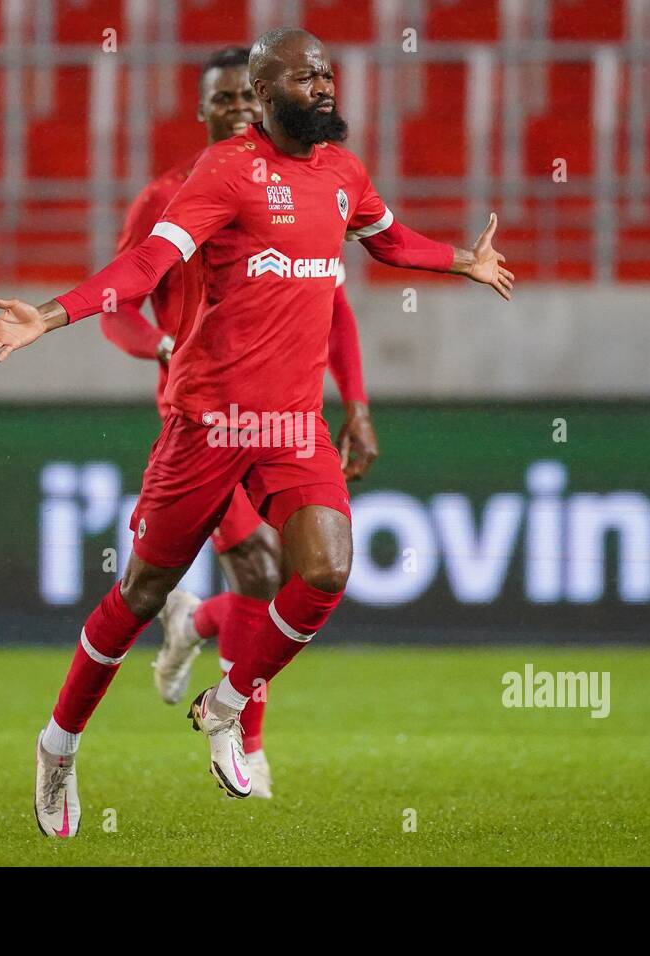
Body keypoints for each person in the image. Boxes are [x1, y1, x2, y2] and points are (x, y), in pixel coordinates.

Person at [0, 28, 513, 838]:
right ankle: (58, 745)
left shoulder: (342, 173)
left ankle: (227, 704)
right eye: (306, 75)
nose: (325, 84)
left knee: (324, 570)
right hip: (208, 421)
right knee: (140, 595)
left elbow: (386, 239)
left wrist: (458, 259)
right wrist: (49, 314)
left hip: (292, 423)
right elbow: (147, 267)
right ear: (264, 94)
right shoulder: (225, 172)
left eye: (328, 72)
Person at [100, 45, 379, 800]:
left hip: (280, 413)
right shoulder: (175, 193)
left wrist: (353, 402)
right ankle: (244, 744)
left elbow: (333, 304)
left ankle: (199, 627)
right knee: (259, 567)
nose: (234, 110)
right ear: (201, 109)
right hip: (200, 418)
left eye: (241, 99)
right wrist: (160, 344)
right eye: (219, 99)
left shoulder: (291, 185)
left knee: (296, 571)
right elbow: (123, 301)